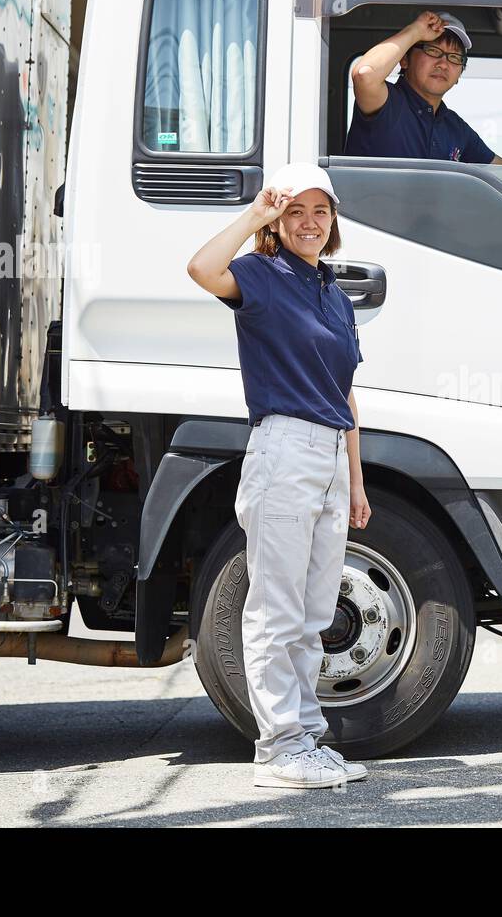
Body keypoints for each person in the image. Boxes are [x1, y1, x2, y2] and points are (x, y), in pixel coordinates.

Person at [186, 162, 371, 790]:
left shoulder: (336, 296)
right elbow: (201, 269)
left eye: (320, 211)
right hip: (284, 448)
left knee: (316, 611)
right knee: (276, 608)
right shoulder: (262, 276)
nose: (309, 223)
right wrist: (254, 217)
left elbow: (345, 395)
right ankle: (279, 749)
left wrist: (357, 480)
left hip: (329, 457)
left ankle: (306, 739)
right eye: (296, 212)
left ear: (334, 220)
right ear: (278, 221)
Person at [344, 10, 502, 168]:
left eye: (455, 58)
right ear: (405, 59)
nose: (443, 63)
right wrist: (415, 31)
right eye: (433, 50)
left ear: (459, 75)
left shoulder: (454, 128)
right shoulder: (388, 103)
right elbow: (365, 75)